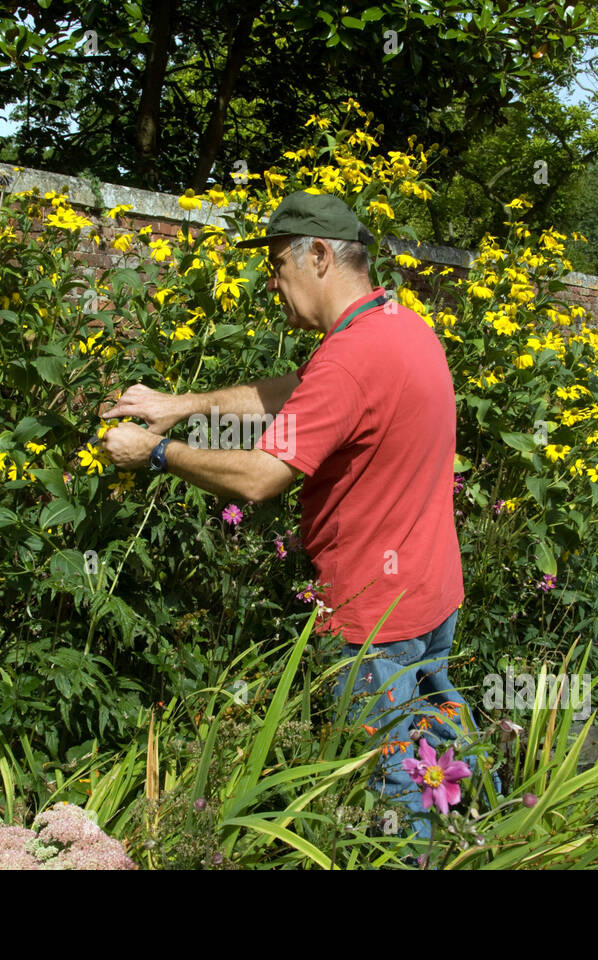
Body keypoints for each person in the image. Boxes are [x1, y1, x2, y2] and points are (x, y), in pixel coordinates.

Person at [100, 190, 492, 855]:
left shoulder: (350, 357)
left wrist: (156, 452)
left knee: (391, 794)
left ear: (317, 255)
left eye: (278, 266)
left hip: (374, 619)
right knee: (440, 762)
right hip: (432, 594)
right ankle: (488, 842)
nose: (272, 285)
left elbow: (260, 477)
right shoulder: (399, 325)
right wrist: (184, 404)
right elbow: (306, 389)